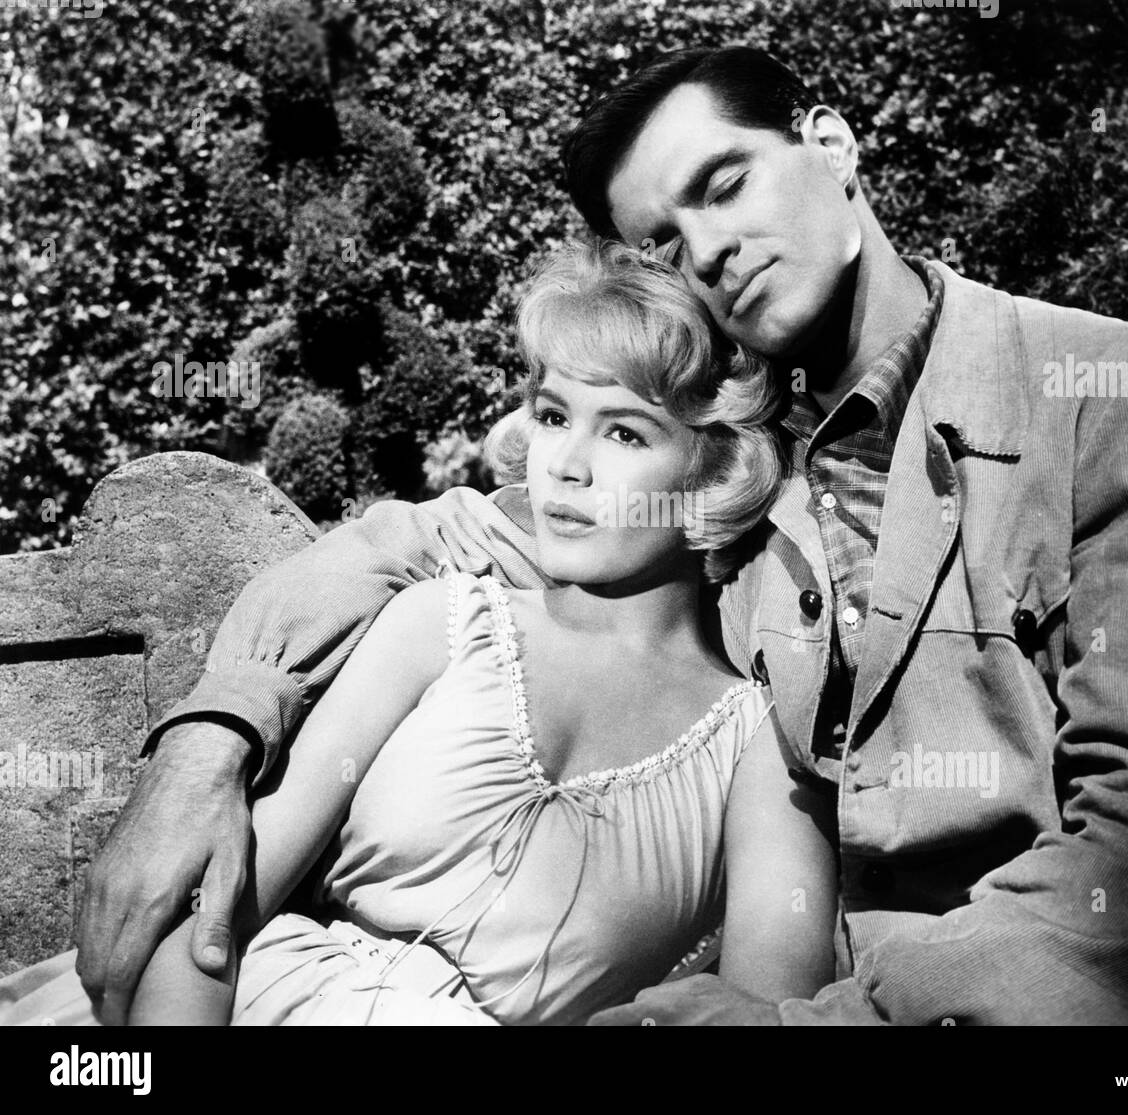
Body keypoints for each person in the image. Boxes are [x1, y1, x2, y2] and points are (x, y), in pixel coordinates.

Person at [71, 46, 1128, 1026]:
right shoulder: (713, 473)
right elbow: (415, 543)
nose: (705, 251)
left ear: (832, 146)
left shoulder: (1115, 396)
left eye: (723, 184)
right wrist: (206, 745)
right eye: (659, 240)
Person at [0, 238, 837, 1026]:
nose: (567, 465)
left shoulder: (757, 746)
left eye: (623, 431)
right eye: (552, 416)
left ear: (715, 469)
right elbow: (208, 925)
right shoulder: (443, 620)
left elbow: (765, 1010)